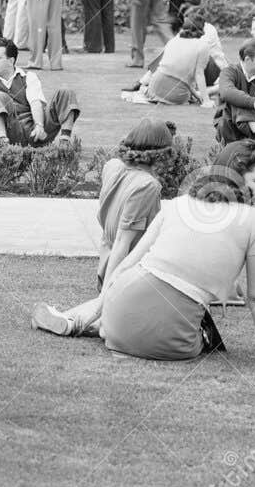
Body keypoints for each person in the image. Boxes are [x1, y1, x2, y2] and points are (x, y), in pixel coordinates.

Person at [100, 142, 255, 369]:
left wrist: (98, 315)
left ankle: (94, 324)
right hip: (169, 337)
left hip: (114, 319)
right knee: (204, 337)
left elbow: (127, 265)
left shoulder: (177, 204)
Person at [31, 117, 176, 337]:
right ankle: (78, 323)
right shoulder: (147, 186)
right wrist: (106, 297)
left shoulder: (112, 167)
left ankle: (64, 317)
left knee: (122, 310)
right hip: (127, 268)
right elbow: (122, 243)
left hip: (106, 263)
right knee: (123, 318)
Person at [0, 38, 79, 145]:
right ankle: (2, 142)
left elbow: (36, 103)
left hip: (36, 133)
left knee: (65, 92)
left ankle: (65, 141)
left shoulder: (29, 76)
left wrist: (39, 126)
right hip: (10, 134)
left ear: (11, 61)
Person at [137, 15, 225, 105]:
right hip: (178, 95)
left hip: (153, 90)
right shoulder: (202, 45)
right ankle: (201, 93)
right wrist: (206, 101)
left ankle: (142, 83)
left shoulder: (173, 41)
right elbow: (198, 74)